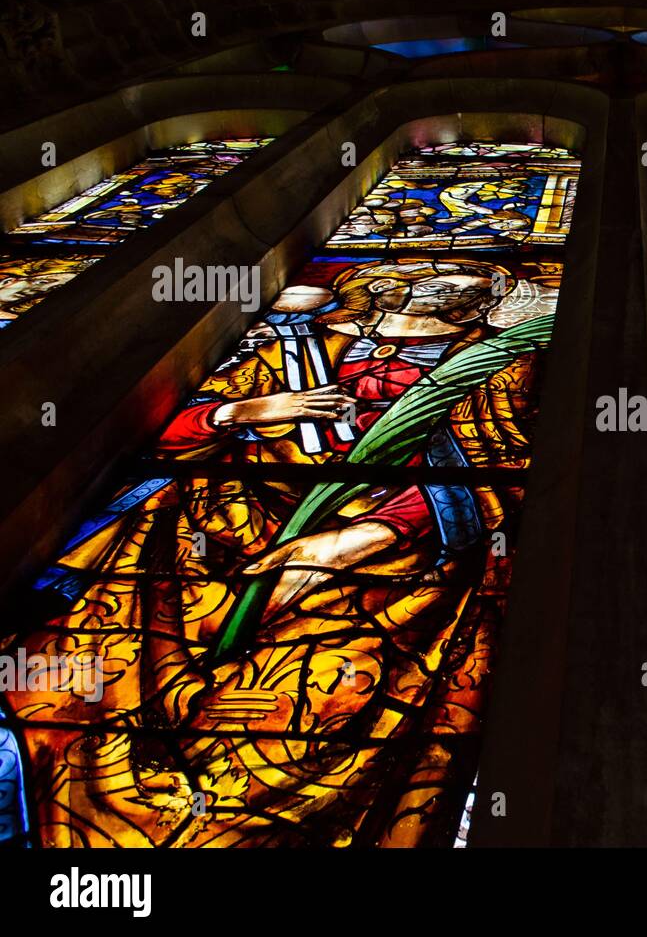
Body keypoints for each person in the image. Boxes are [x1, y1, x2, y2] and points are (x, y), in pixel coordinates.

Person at [1, 258, 545, 846]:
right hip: (209, 539)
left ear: (486, 305)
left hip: (386, 566)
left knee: (316, 716)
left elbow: (504, 469)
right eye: (415, 271)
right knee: (73, 677)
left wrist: (354, 541)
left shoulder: (497, 368)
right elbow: (161, 431)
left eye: (465, 281)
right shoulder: (292, 346)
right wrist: (239, 412)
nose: (431, 281)